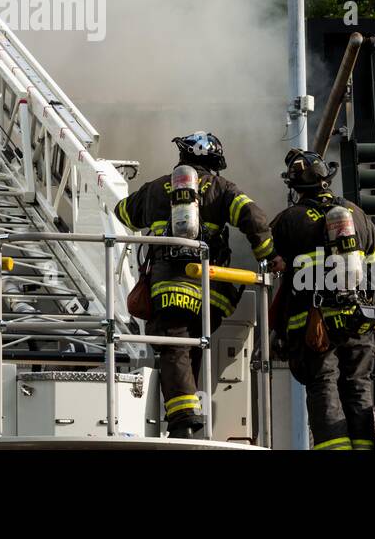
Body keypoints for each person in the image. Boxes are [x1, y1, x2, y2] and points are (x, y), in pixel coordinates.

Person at [112, 132, 277, 438]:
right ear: (214, 162)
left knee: (174, 348)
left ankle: (183, 420)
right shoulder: (221, 188)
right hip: (210, 294)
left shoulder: (156, 188)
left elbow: (122, 212)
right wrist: (269, 256)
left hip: (169, 287)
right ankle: (188, 413)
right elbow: (252, 216)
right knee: (193, 346)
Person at [270, 148, 375, 450]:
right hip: (360, 321)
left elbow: (271, 261)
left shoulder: (288, 220)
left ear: (295, 187)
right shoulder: (357, 214)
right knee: (359, 386)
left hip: (315, 325)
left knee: (323, 385)